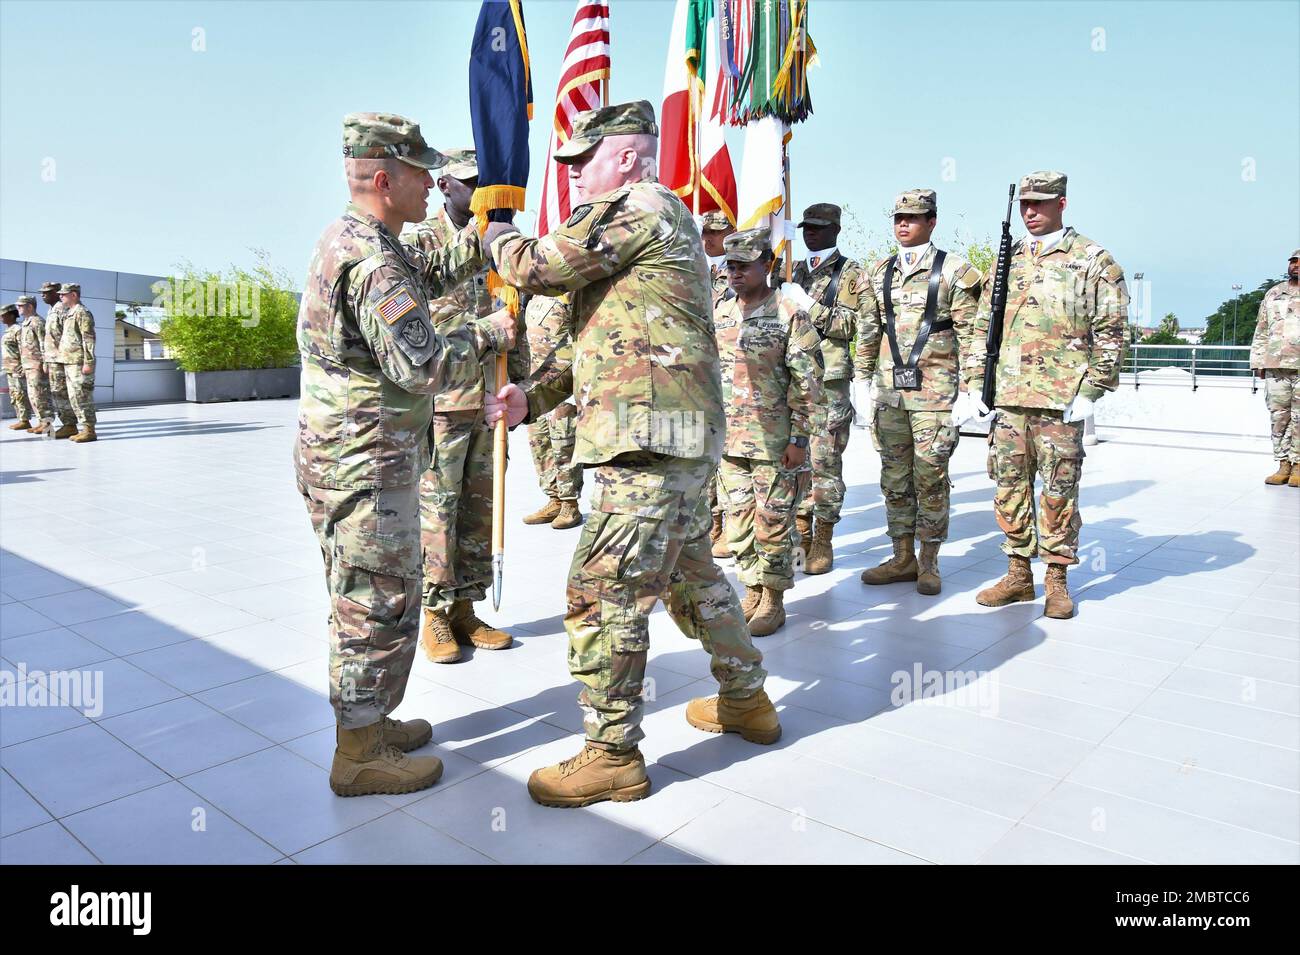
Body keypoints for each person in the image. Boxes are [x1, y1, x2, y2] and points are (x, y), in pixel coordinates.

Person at [484, 100, 780, 808]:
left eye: (580, 163)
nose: (572, 178)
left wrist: (495, 228)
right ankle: (747, 699)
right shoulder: (653, 220)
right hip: (669, 433)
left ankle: (612, 754)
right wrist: (533, 395)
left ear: (622, 156)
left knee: (602, 588)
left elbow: (536, 265)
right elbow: (610, 347)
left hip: (647, 440)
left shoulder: (637, 204)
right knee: (693, 579)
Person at [295, 112, 515, 797]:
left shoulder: (370, 240)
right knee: (372, 601)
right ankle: (358, 751)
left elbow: (436, 263)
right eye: (422, 172)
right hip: (363, 462)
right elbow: (423, 364)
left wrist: (489, 232)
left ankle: (371, 721)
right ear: (386, 179)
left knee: (372, 594)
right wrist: (489, 332)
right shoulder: (368, 259)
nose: (433, 184)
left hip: (359, 455)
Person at [972, 171, 1128, 619]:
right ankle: (1018, 575)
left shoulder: (1094, 259)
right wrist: (977, 382)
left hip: (1060, 398)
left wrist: (1093, 388)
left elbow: (1112, 330)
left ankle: (1056, 579)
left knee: (1059, 489)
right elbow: (985, 325)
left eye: (1039, 204)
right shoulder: (1010, 259)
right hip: (1009, 396)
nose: (1030, 213)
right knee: (1008, 487)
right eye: (1024, 205)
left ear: (1062, 203)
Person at [400, 148, 517, 663]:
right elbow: (412, 331)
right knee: (438, 510)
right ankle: (434, 611)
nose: (482, 193)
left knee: (478, 509)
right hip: (441, 403)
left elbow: (513, 314)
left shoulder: (495, 240)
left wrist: (519, 385)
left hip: (487, 400)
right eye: (472, 183)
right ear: (446, 185)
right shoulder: (420, 244)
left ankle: (466, 606)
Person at [854, 189, 983, 594]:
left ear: (932, 221)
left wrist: (971, 387)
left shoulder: (955, 272)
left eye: (914, 217)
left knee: (930, 477)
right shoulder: (879, 273)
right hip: (890, 395)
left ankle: (929, 561)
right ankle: (902, 556)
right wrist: (860, 380)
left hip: (936, 396)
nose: (904, 224)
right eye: (898, 218)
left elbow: (972, 335)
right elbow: (869, 331)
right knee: (893, 478)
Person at [714, 227, 824, 635]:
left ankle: (774, 599)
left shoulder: (789, 314)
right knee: (738, 522)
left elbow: (808, 383)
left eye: (745, 265)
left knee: (774, 524)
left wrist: (798, 439)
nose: (736, 273)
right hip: (729, 443)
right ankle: (753, 589)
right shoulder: (721, 313)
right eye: (731, 266)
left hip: (774, 442)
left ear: (767, 265)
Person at [791, 203, 865, 574]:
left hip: (829, 382)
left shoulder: (849, 272)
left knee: (825, 463)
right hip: (795, 382)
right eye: (807, 227)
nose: (811, 233)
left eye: (819, 227)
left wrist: (809, 306)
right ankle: (801, 532)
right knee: (795, 461)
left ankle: (823, 537)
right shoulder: (795, 270)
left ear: (836, 229)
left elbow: (852, 325)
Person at [520, 292, 584, 528]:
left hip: (560, 384)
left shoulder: (568, 290)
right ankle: (553, 498)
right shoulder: (531, 294)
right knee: (540, 442)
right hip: (535, 383)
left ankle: (570, 503)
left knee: (563, 443)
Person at [701, 209, 737, 557]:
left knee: (730, 453)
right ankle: (709, 521)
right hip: (701, 373)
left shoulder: (743, 270)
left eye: (716, 231)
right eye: (706, 231)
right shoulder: (695, 269)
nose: (708, 238)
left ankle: (729, 523)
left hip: (732, 372)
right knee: (705, 450)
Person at [1252, 249, 1300, 487]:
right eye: (1293, 261)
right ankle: (1283, 464)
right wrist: (1258, 361)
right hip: (1276, 365)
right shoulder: (1273, 293)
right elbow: (1261, 329)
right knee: (1279, 416)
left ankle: (1299, 465)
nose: (1296, 265)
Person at [55, 284, 96, 442]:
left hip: (79, 362)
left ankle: (89, 430)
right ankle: (80, 427)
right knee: (73, 397)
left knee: (82, 396)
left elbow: (89, 339)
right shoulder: (69, 313)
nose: (61, 297)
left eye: (63, 294)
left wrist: (89, 362)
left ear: (73, 295)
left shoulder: (82, 312)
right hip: (69, 362)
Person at [39, 281, 75, 437]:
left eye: (46, 292)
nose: (43, 295)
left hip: (61, 359)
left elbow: (68, 336)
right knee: (56, 393)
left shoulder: (62, 309)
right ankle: (66, 424)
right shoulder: (51, 310)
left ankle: (70, 425)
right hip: (53, 359)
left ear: (56, 293)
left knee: (62, 393)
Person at [15, 296, 52, 433]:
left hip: (37, 365)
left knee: (40, 395)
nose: (18, 308)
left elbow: (44, 344)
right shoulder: (25, 323)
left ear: (30, 307)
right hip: (28, 365)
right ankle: (41, 422)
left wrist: (45, 363)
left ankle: (47, 425)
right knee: (33, 396)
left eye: (20, 305)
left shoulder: (37, 322)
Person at [2, 305, 28, 429]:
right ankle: (21, 419)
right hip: (9, 368)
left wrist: (23, 365)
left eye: (3, 315)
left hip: (17, 368)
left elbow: (24, 349)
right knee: (14, 394)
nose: (1, 318)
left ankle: (25, 420)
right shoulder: (8, 330)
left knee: (20, 393)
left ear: (12, 315)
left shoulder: (18, 329)